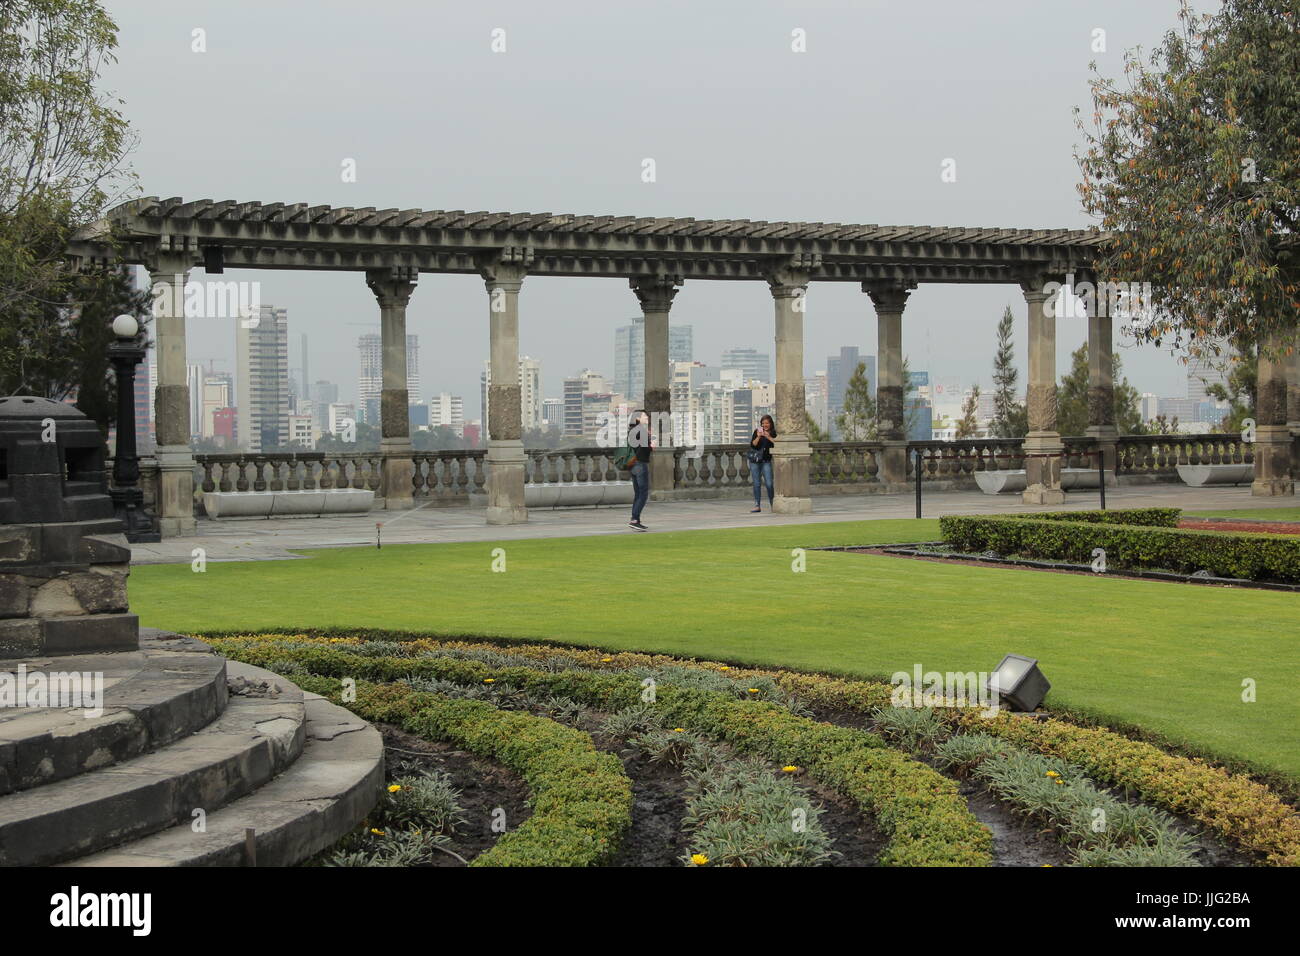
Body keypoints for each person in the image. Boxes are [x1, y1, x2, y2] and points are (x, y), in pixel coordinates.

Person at [628, 409, 652, 531]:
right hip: (640, 464)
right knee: (643, 493)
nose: (647, 417)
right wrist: (652, 445)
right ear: (637, 418)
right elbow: (644, 450)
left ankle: (634, 519)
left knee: (638, 493)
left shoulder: (632, 430)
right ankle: (635, 519)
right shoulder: (641, 430)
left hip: (632, 465)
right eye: (644, 415)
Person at [749, 414, 776, 512]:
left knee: (769, 483)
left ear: (770, 424)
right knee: (756, 483)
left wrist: (769, 437)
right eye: (763, 423)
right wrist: (759, 436)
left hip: (766, 461)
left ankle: (773, 504)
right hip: (755, 461)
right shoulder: (757, 432)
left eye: (767, 423)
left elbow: (777, 443)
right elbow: (753, 445)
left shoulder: (773, 433)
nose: (765, 425)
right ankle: (757, 505)